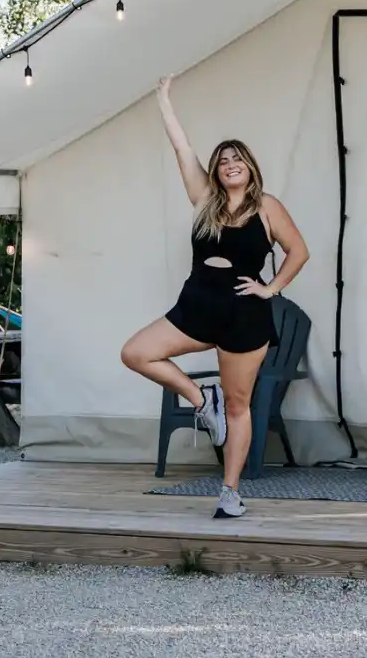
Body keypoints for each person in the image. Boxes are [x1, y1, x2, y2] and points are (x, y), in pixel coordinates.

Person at [120, 75, 310, 519]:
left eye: (238, 158)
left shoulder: (267, 207)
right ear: (216, 170)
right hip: (198, 306)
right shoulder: (204, 199)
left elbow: (298, 251)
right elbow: (182, 150)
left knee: (240, 405)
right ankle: (204, 401)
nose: (230, 163)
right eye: (223, 159)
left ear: (251, 167)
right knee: (136, 353)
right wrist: (164, 102)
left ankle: (229, 492)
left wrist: (272, 287)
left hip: (245, 316)